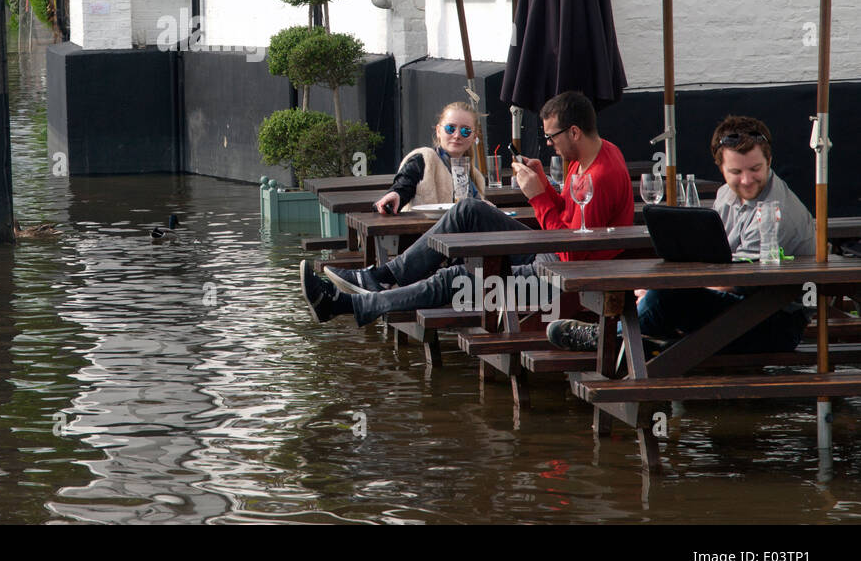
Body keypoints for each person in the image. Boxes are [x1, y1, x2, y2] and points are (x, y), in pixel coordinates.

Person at [302, 91, 634, 326]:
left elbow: (571, 253)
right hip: (554, 256)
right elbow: (569, 220)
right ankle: (380, 275)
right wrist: (545, 184)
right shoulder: (592, 155)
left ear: (574, 131)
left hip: (565, 278)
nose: (548, 143)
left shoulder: (600, 176)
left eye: (552, 137)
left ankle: (346, 305)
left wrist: (535, 196)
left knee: (455, 278)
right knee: (469, 211)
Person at [547, 115, 815, 354]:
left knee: (666, 298)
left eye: (755, 169)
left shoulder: (776, 213)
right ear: (720, 168)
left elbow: (736, 279)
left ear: (769, 160)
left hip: (771, 323)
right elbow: (713, 259)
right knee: (662, 294)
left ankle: (608, 339)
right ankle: (644, 343)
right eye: (736, 171)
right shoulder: (725, 194)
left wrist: (665, 288)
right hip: (739, 312)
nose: (746, 180)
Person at [372, 100, 487, 216]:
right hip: (425, 232)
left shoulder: (476, 177)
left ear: (474, 137)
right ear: (438, 131)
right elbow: (404, 184)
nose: (457, 135)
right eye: (450, 128)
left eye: (465, 131)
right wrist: (395, 194)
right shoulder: (424, 159)